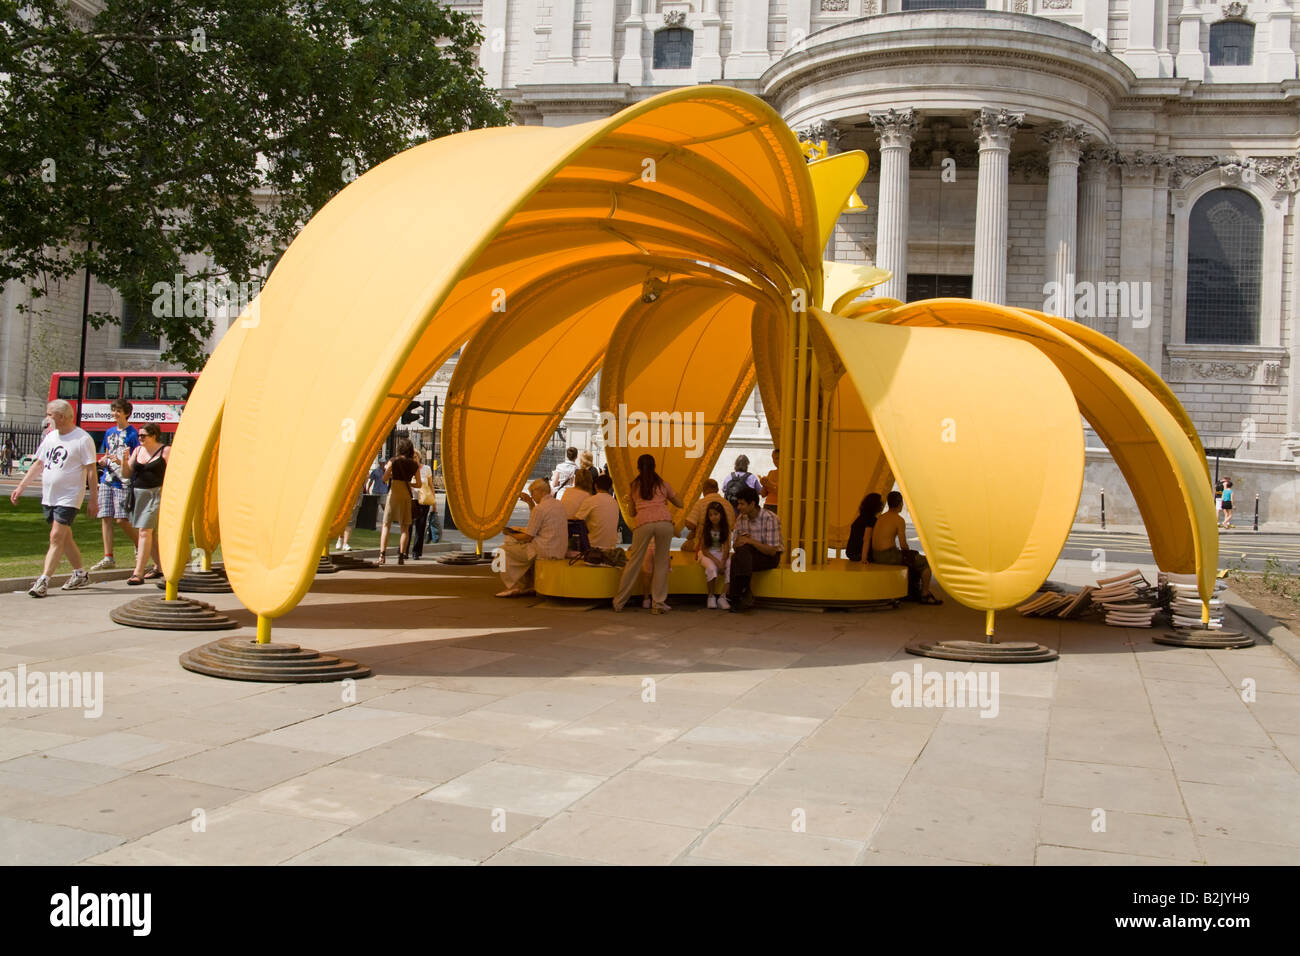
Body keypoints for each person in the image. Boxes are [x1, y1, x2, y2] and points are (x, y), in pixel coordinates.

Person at [9, 400, 99, 598]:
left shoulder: (82, 439)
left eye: (50, 414)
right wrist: (21, 486)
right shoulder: (50, 437)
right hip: (49, 495)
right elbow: (38, 464)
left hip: (69, 496)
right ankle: (80, 574)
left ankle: (44, 580)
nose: (47, 418)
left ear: (62, 416)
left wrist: (94, 499)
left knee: (55, 536)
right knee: (64, 537)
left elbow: (91, 471)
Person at [613, 454, 682, 613]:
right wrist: (666, 498)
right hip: (664, 522)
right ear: (654, 466)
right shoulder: (663, 484)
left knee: (634, 562)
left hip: (643, 523)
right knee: (661, 563)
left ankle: (619, 602)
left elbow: (631, 512)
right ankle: (657, 604)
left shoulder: (634, 486)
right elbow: (680, 504)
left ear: (638, 468)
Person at [89, 398, 141, 572]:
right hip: (107, 479)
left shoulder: (133, 434)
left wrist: (120, 461)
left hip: (123, 481)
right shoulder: (109, 432)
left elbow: (134, 461)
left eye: (118, 411)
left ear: (126, 413)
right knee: (105, 517)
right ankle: (108, 556)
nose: (115, 414)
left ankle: (140, 544)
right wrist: (104, 460)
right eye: (113, 411)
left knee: (122, 519)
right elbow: (106, 452)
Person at [497, 478, 568, 596]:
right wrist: (530, 503)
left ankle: (512, 586)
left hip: (543, 550)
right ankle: (529, 585)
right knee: (517, 547)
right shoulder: (558, 504)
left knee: (503, 551)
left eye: (532, 493)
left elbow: (528, 537)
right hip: (558, 549)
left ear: (539, 491)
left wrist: (510, 533)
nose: (532, 496)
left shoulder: (540, 508)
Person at [871, 490, 942, 604]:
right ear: (900, 504)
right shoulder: (899, 520)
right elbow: (903, 545)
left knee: (912, 559)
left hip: (876, 554)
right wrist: (911, 554)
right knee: (924, 562)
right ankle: (925, 593)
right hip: (888, 555)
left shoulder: (881, 517)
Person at [120, 423, 169, 585]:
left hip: (156, 494)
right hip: (138, 494)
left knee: (144, 531)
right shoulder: (138, 450)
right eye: (139, 436)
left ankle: (138, 573)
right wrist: (125, 460)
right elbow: (127, 474)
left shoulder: (165, 451)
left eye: (143, 435)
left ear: (154, 435)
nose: (139, 438)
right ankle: (161, 567)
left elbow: (173, 474)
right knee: (150, 534)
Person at [726, 486, 782, 612]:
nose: (738, 507)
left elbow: (772, 551)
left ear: (752, 504)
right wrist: (742, 542)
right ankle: (742, 592)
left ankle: (737, 595)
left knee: (739, 556)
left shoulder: (770, 518)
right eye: (738, 504)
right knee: (739, 554)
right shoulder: (741, 519)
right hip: (748, 555)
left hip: (769, 557)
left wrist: (750, 541)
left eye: (742, 504)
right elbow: (735, 546)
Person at [378, 438, 419, 565]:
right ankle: (401, 556)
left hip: (393, 494)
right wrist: (408, 482)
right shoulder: (414, 464)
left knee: (386, 524)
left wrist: (390, 475)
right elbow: (419, 484)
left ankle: (382, 555)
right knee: (405, 527)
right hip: (406, 495)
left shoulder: (393, 461)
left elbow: (384, 478)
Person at [681, 479, 735, 553]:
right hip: (724, 547)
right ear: (717, 489)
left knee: (685, 546)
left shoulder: (701, 503)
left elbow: (690, 524)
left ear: (703, 490)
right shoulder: (728, 504)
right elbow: (732, 527)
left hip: (705, 546)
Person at [696, 500, 732, 609]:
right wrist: (717, 562)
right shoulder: (705, 529)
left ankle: (723, 596)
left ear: (721, 515)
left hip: (720, 554)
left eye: (716, 514)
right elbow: (704, 550)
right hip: (706, 554)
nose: (713, 517)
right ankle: (711, 596)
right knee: (711, 568)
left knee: (730, 566)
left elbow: (726, 547)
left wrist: (723, 561)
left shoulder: (725, 529)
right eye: (710, 515)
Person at [575, 473, 621, 549]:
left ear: (595, 486)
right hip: (611, 546)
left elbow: (577, 519)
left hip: (593, 545)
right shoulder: (614, 502)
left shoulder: (591, 500)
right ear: (609, 487)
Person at [406, 450, 434, 560]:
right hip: (411, 499)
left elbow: (431, 485)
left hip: (423, 500)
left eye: (415, 456)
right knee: (408, 526)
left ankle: (416, 552)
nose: (414, 459)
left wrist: (434, 501)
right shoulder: (408, 469)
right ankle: (404, 550)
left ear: (419, 457)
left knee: (420, 526)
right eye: (412, 457)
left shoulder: (426, 469)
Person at [846, 492, 884, 563]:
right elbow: (866, 538)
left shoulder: (860, 518)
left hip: (851, 553)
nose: (882, 505)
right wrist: (864, 558)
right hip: (859, 554)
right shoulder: (871, 520)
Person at [761, 448, 779, 513]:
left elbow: (782, 492)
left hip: (779, 505)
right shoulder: (771, 472)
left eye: (777, 458)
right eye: (773, 458)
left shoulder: (787, 473)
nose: (774, 461)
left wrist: (770, 484)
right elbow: (763, 494)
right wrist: (764, 484)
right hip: (768, 504)